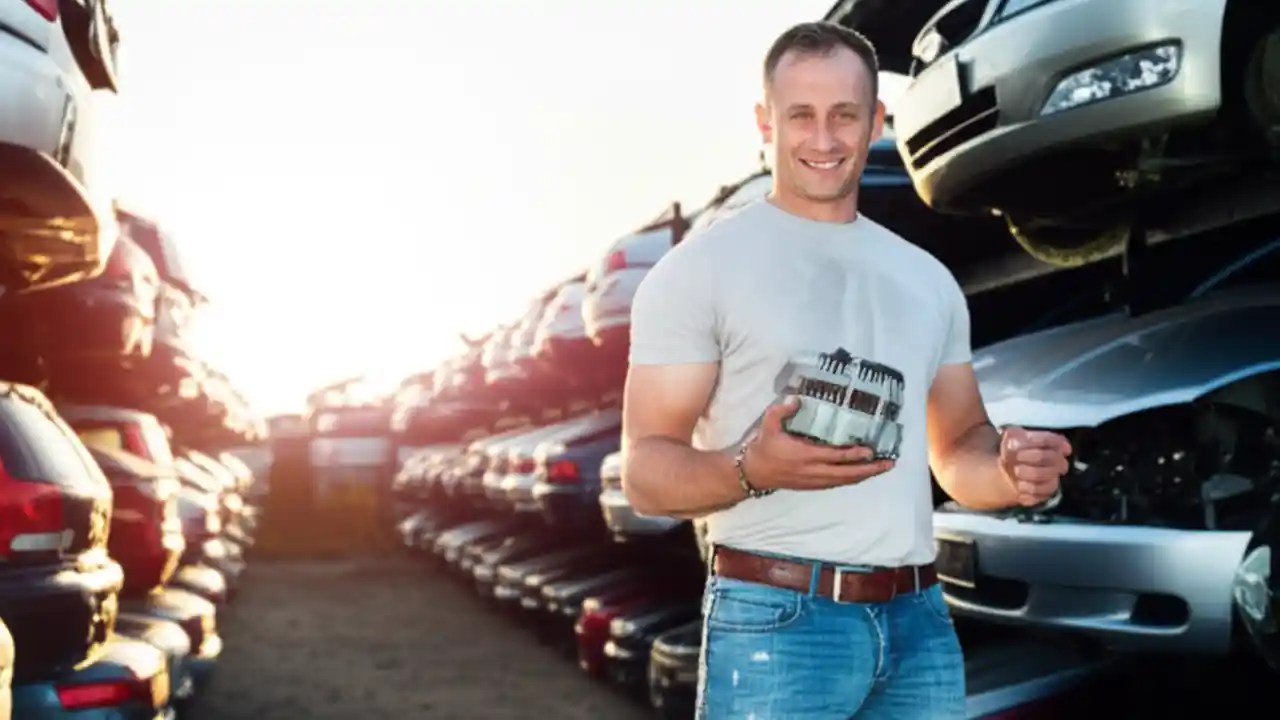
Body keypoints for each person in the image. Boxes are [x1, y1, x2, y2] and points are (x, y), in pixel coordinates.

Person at [620, 20, 1072, 720]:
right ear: (764, 121)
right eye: (801, 115)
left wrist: (1010, 472)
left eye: (845, 115)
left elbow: (956, 450)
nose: (824, 140)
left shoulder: (927, 281)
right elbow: (646, 473)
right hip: (777, 622)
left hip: (920, 623)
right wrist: (749, 468)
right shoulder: (698, 273)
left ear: (877, 121)